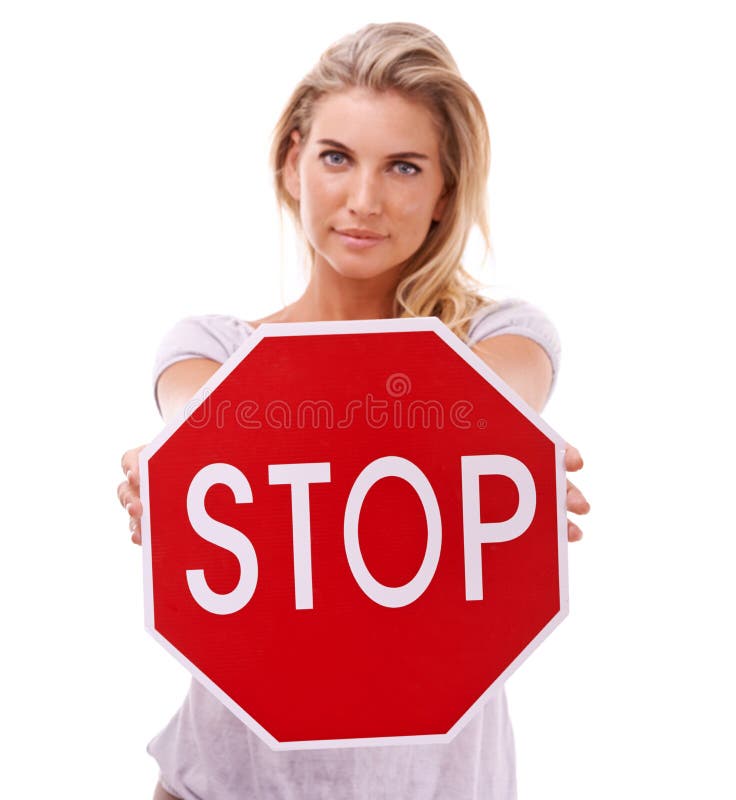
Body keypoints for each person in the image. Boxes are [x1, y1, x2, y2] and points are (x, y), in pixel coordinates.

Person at [117, 21, 590, 800]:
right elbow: (201, 416)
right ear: (291, 163)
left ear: (444, 192)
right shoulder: (206, 349)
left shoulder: (504, 338)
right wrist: (177, 464)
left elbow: (491, 401)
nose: (364, 200)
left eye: (404, 167)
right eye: (337, 157)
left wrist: (223, 451)